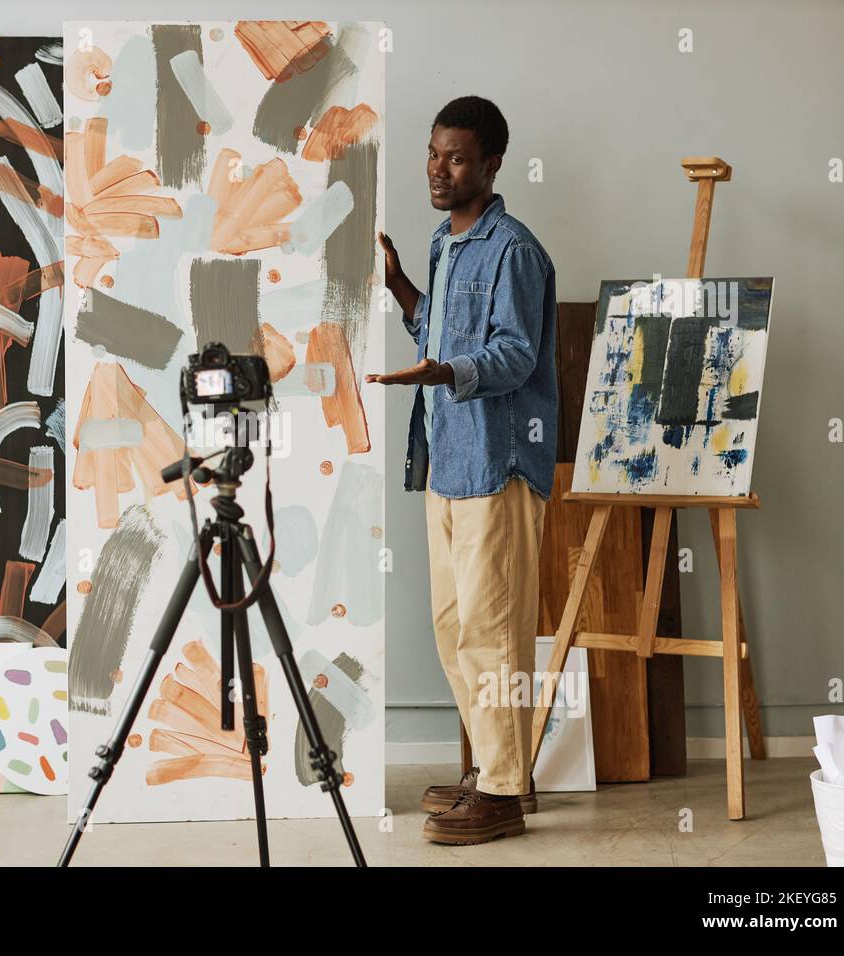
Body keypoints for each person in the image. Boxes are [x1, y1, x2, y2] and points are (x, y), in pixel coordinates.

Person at [366, 95, 558, 845]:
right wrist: (398, 283)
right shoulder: (447, 246)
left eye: (456, 158)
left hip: (499, 463)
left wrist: (443, 373)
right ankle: (496, 772)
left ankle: (506, 790)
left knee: (494, 629)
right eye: (433, 153)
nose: (439, 170)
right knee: (453, 627)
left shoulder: (514, 250)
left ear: (491, 165)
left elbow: (513, 355)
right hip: (446, 461)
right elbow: (434, 329)